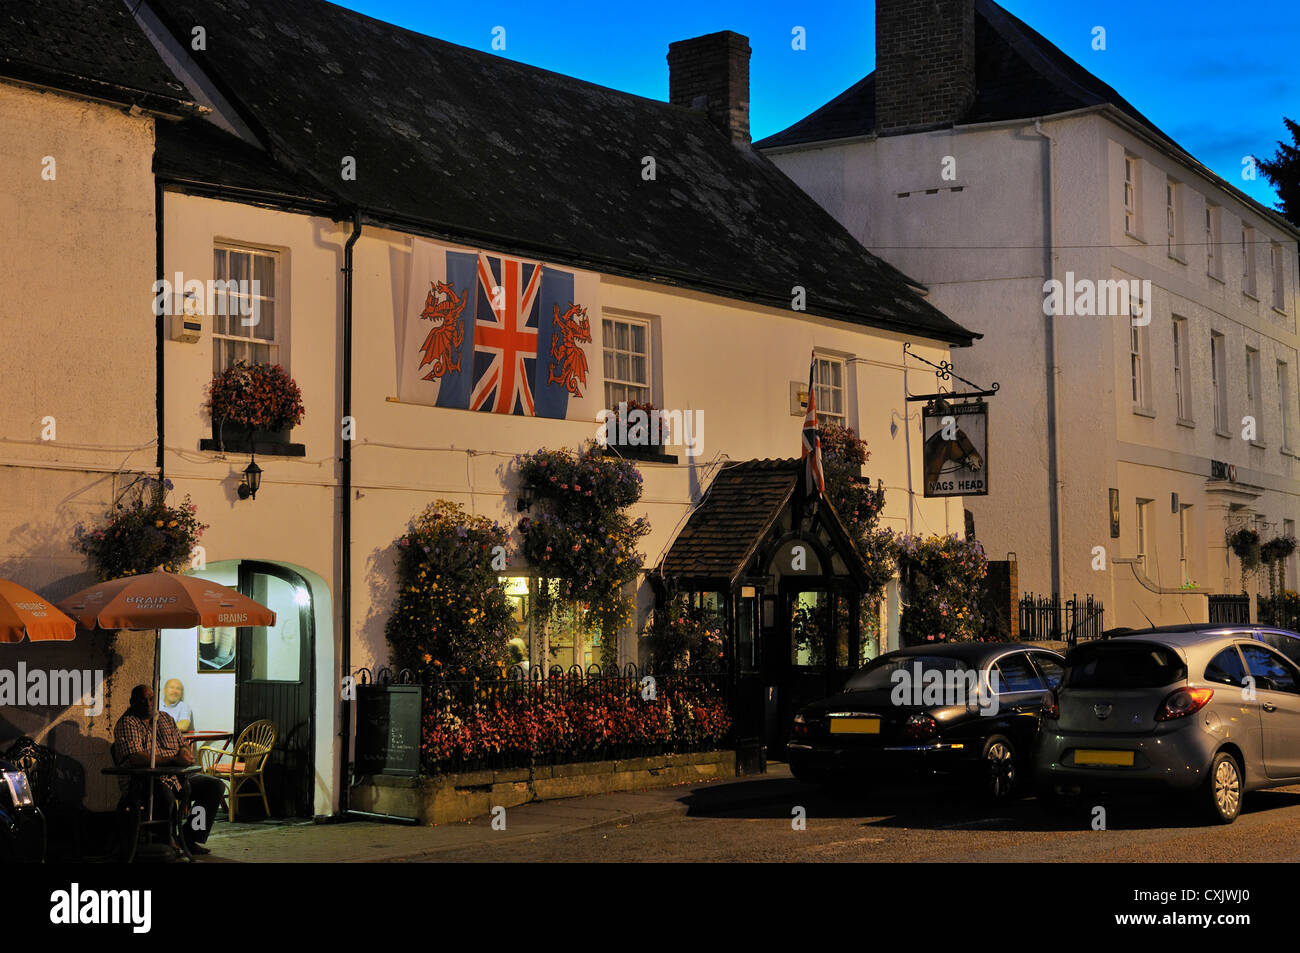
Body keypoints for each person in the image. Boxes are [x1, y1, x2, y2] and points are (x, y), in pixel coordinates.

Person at [112, 684, 224, 856]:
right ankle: (167, 839)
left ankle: (190, 837)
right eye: (143, 700)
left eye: (151, 699)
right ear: (132, 702)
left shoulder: (165, 718)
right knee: (164, 794)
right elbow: (136, 757)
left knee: (214, 786)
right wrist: (172, 759)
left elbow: (182, 744)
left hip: (177, 776)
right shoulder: (128, 723)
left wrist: (185, 754)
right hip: (143, 782)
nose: (148, 703)